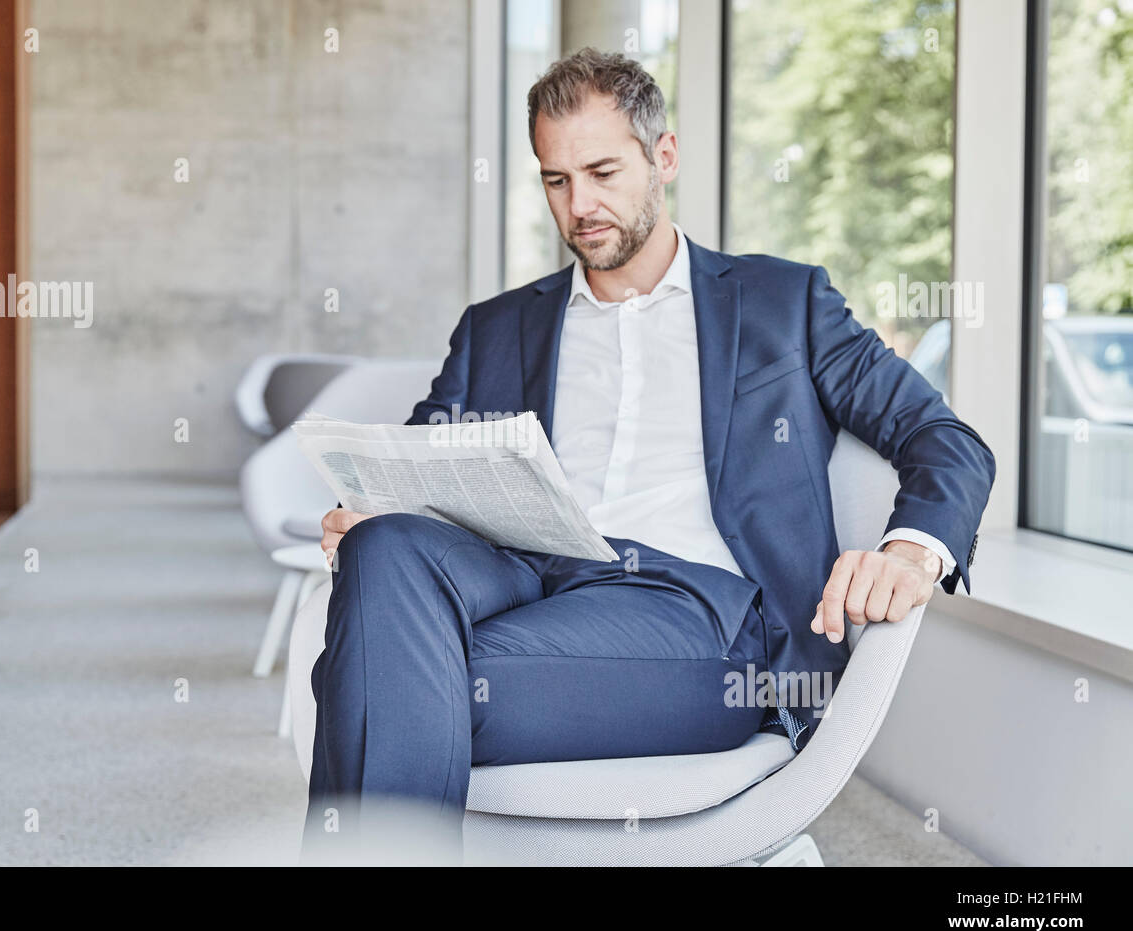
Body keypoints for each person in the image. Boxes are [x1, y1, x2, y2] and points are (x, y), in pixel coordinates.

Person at [303, 48, 994, 858]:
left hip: (699, 614)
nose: (580, 205)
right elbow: (418, 471)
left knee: (372, 671)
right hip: (525, 578)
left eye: (601, 172)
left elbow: (943, 437)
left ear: (662, 156)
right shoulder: (496, 327)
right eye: (556, 180)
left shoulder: (783, 303)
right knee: (385, 546)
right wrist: (370, 510)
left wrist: (909, 550)